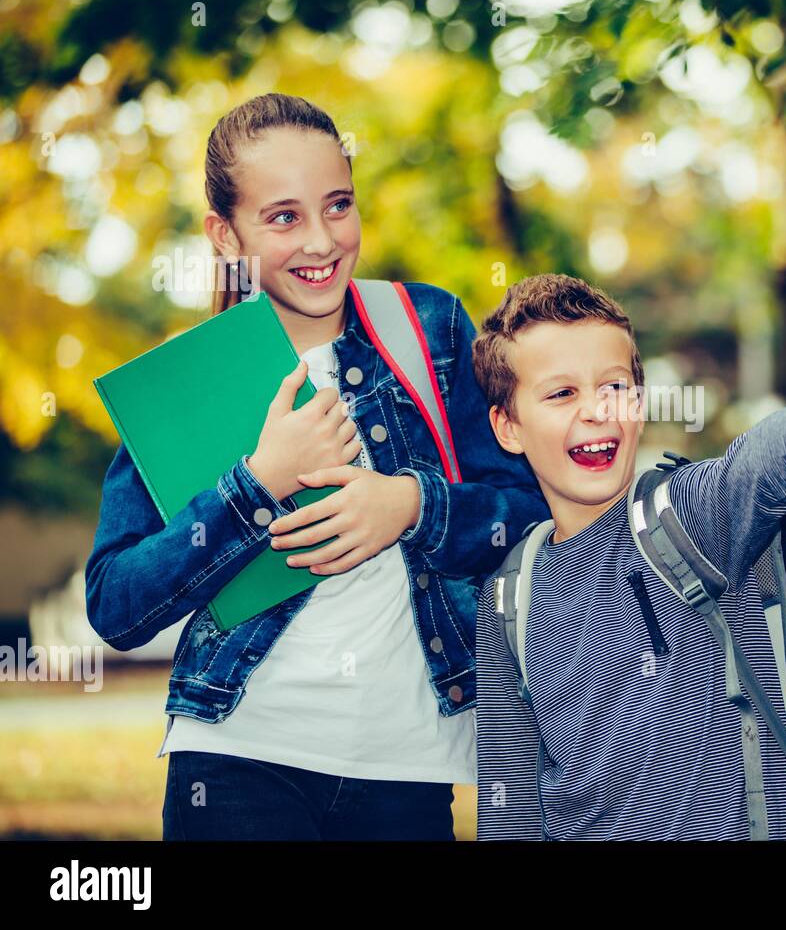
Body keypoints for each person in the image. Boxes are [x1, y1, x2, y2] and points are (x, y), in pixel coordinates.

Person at [85, 93, 548, 840]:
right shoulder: (190, 386)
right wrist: (254, 489)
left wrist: (411, 506)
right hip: (237, 766)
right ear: (224, 234)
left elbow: (529, 515)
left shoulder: (429, 327)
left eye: (338, 205)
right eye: (283, 217)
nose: (321, 240)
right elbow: (116, 606)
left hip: (409, 772)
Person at [471, 272, 786, 839]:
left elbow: (754, 468)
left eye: (614, 387)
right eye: (561, 393)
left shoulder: (683, 518)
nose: (596, 410)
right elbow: (512, 806)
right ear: (508, 426)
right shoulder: (506, 598)